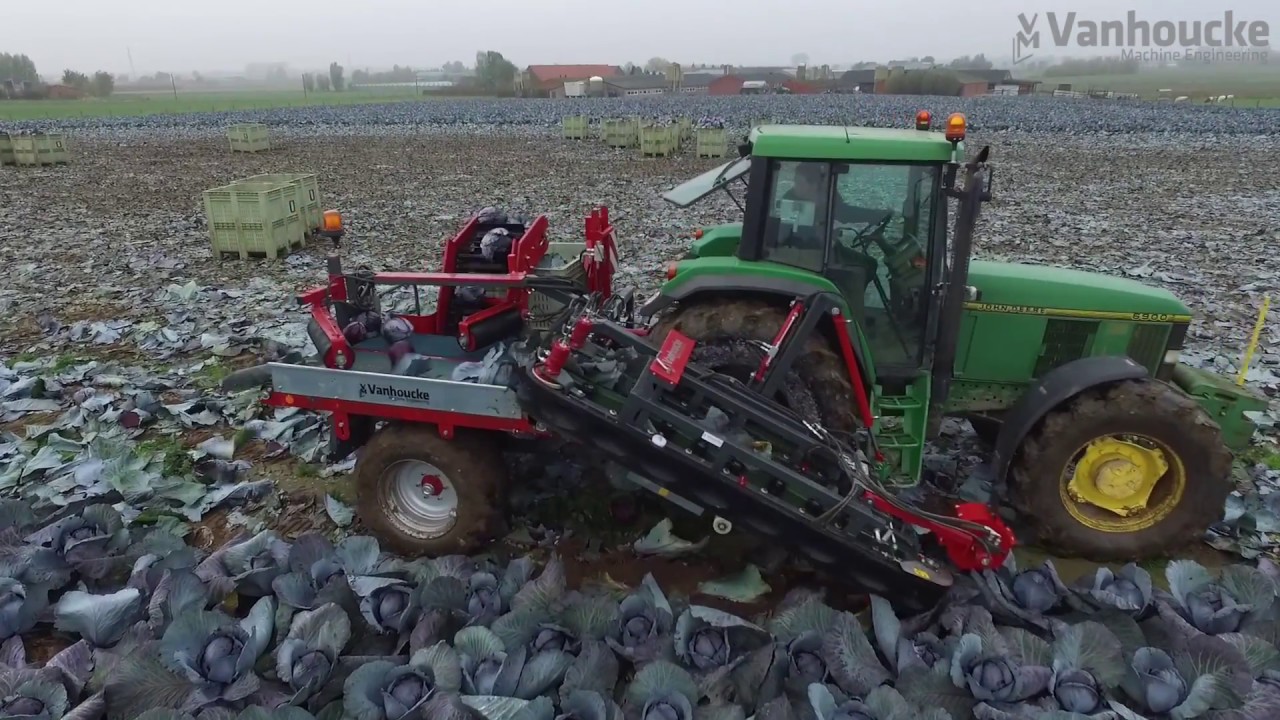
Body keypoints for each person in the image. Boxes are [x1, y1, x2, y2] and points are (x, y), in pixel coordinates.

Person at [785, 163, 891, 226]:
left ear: (814, 185)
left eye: (799, 182)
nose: (795, 186)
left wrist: (874, 214)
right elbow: (789, 231)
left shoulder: (828, 195)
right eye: (797, 182)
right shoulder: (790, 199)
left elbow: (844, 212)